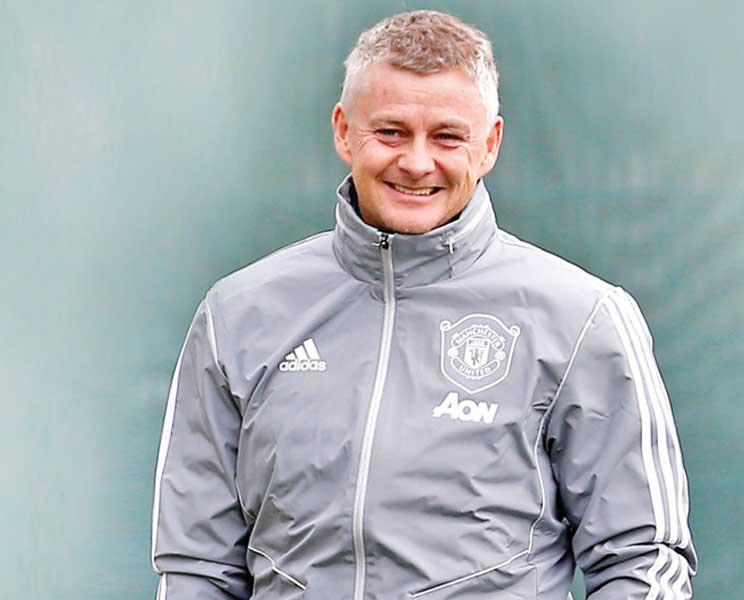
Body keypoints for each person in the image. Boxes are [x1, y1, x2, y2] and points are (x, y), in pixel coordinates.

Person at [150, 10, 697, 600]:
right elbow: (199, 567)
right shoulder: (238, 314)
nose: (415, 162)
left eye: (447, 137)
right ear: (343, 131)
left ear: (489, 144)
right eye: (390, 132)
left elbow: (643, 559)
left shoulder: (582, 318)